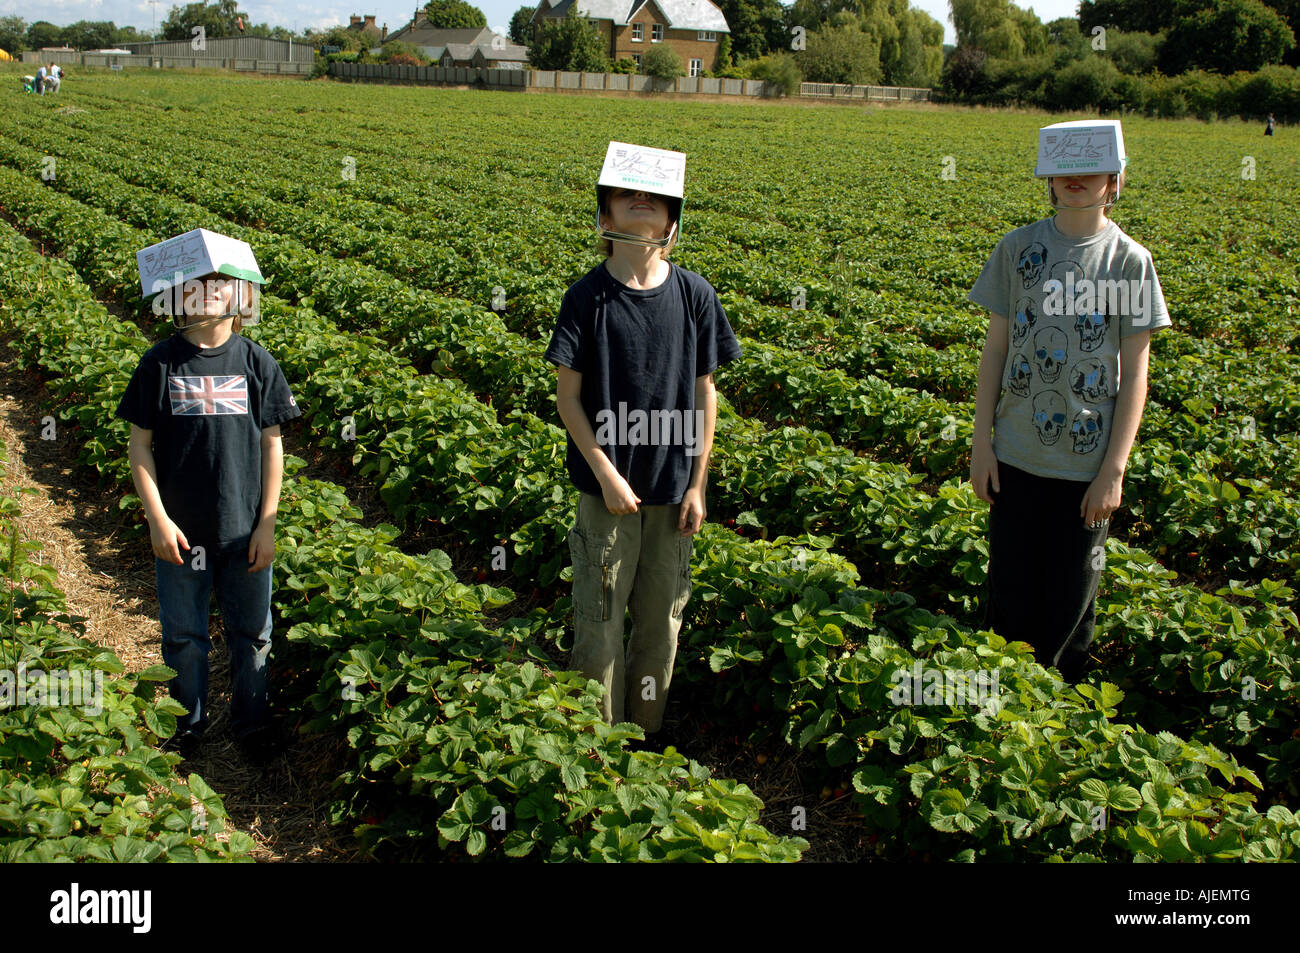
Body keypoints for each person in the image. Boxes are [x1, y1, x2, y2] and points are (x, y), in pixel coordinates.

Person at [544, 142, 741, 741]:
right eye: (627, 195)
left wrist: (698, 484)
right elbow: (568, 399)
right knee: (598, 623)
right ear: (605, 218)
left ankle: (646, 739)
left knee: (661, 627)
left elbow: (706, 393)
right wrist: (605, 473)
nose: (641, 202)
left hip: (674, 492)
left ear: (672, 224)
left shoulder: (695, 297)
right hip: (607, 494)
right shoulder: (585, 299)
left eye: (654, 198)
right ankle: (600, 747)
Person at [966, 120, 1171, 683]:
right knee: (1009, 587)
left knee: (1071, 596)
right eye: (1064, 167)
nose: (1075, 178)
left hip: (1085, 469)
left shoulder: (1130, 262)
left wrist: (1114, 470)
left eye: (1091, 167)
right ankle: (999, 700)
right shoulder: (1017, 249)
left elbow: (1135, 377)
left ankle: (1057, 707)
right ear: (1047, 178)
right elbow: (995, 353)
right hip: (1015, 455)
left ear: (1115, 179)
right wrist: (981, 444)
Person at [115, 229, 301, 762]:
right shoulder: (159, 363)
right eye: (196, 282)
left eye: (221, 282)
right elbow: (141, 448)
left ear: (241, 297)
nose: (209, 290)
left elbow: (272, 447)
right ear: (177, 294)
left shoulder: (256, 361)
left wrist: (266, 523)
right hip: (181, 530)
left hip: (243, 529)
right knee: (183, 637)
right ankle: (186, 727)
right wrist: (156, 519)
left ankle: (252, 724)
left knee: (253, 633)